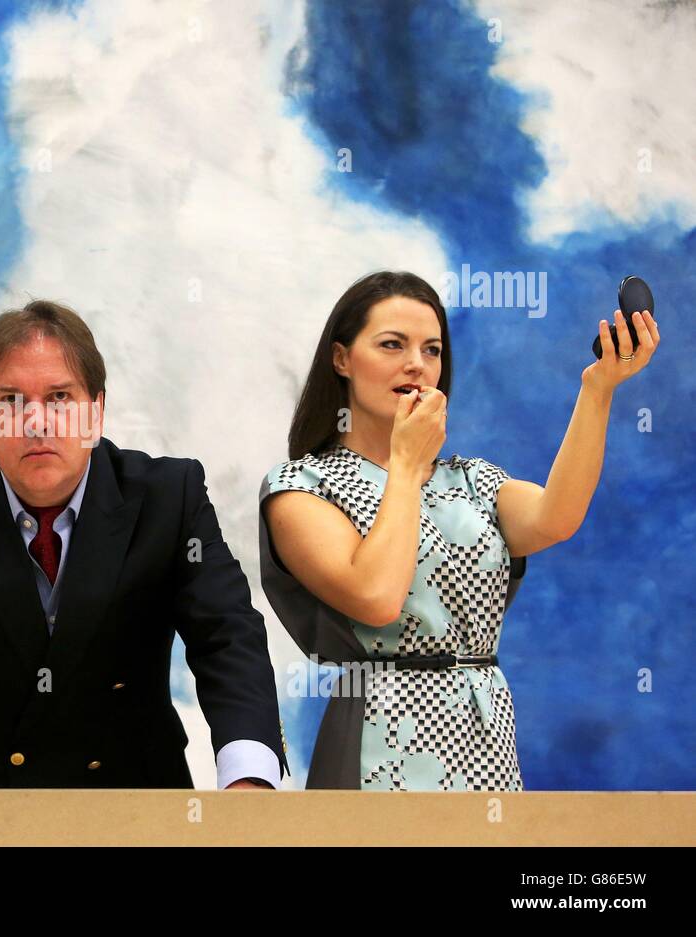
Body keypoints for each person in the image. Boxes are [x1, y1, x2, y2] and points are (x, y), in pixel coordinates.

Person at [0, 299, 288, 790]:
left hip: (135, 804)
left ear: (97, 411)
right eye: (11, 401)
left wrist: (249, 778)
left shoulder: (171, 495)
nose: (37, 422)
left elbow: (227, 637)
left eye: (60, 397)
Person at [259, 271, 660, 790]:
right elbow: (378, 598)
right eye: (391, 345)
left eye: (431, 349)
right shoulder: (302, 485)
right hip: (382, 728)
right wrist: (405, 466)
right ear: (342, 359)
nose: (416, 364)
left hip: (485, 728)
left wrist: (598, 388)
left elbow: (556, 518)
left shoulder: (470, 479)